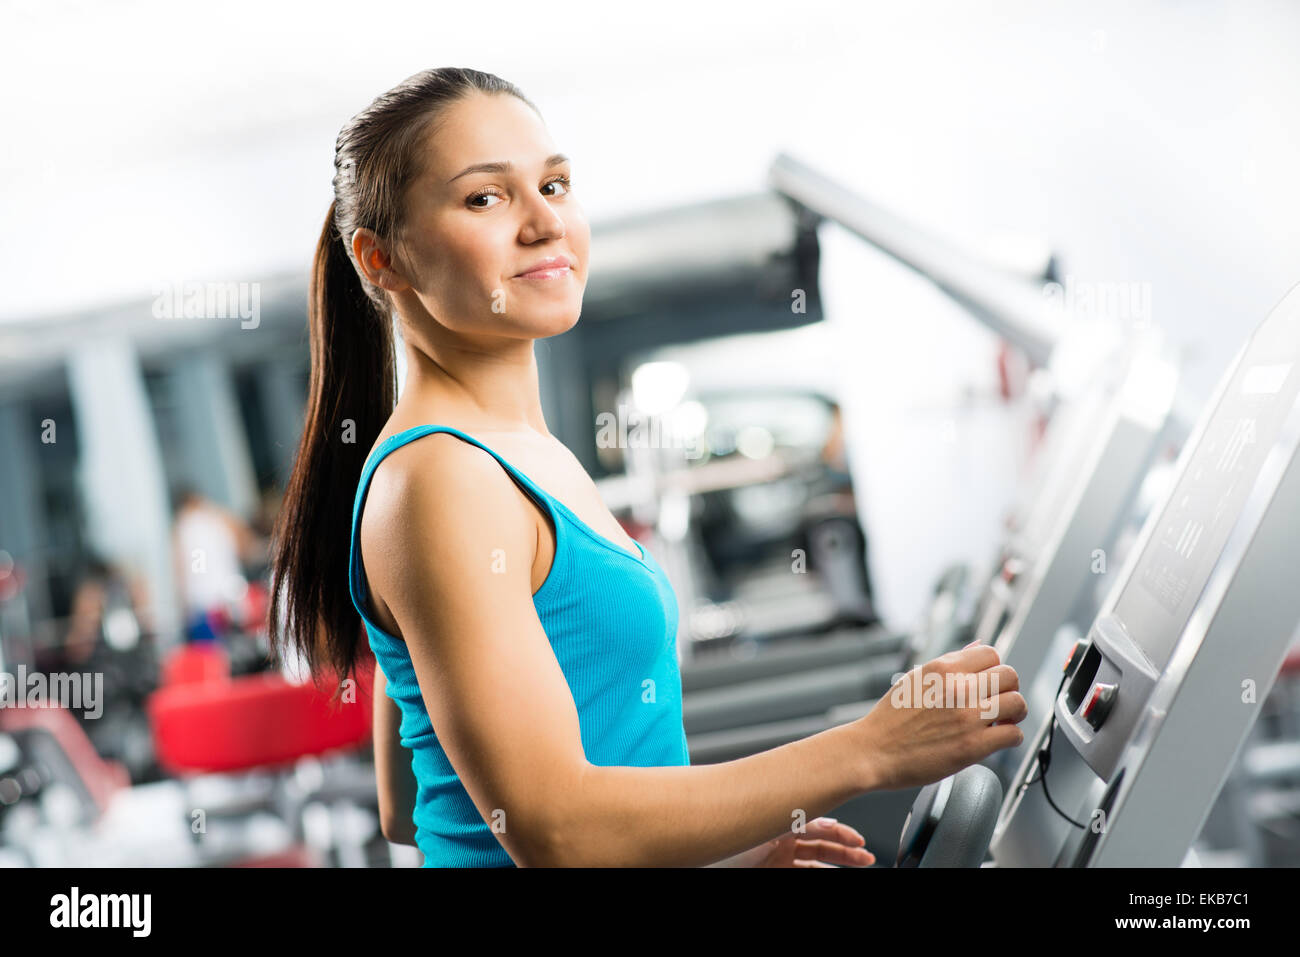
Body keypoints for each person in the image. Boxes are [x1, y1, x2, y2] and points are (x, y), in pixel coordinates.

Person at [267, 67, 1027, 868]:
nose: (543, 222)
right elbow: (554, 829)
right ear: (380, 259)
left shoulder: (522, 454)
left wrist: (728, 853)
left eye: (555, 184)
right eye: (485, 198)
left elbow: (412, 804)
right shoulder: (440, 480)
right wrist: (871, 749)